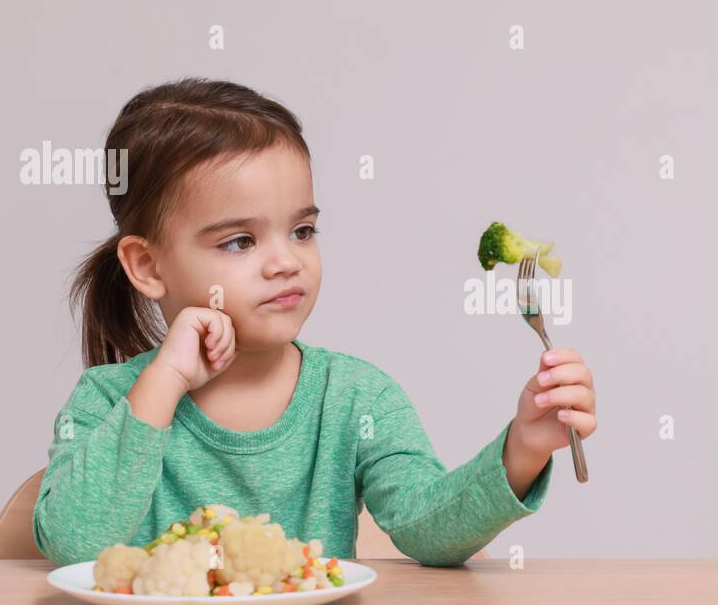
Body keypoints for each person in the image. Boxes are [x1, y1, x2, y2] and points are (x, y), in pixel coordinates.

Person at [32, 78, 596, 568]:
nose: (286, 261)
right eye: (241, 241)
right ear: (148, 265)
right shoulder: (109, 402)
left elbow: (427, 528)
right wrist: (164, 382)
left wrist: (522, 448)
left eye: (302, 231)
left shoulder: (356, 399)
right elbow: (74, 544)